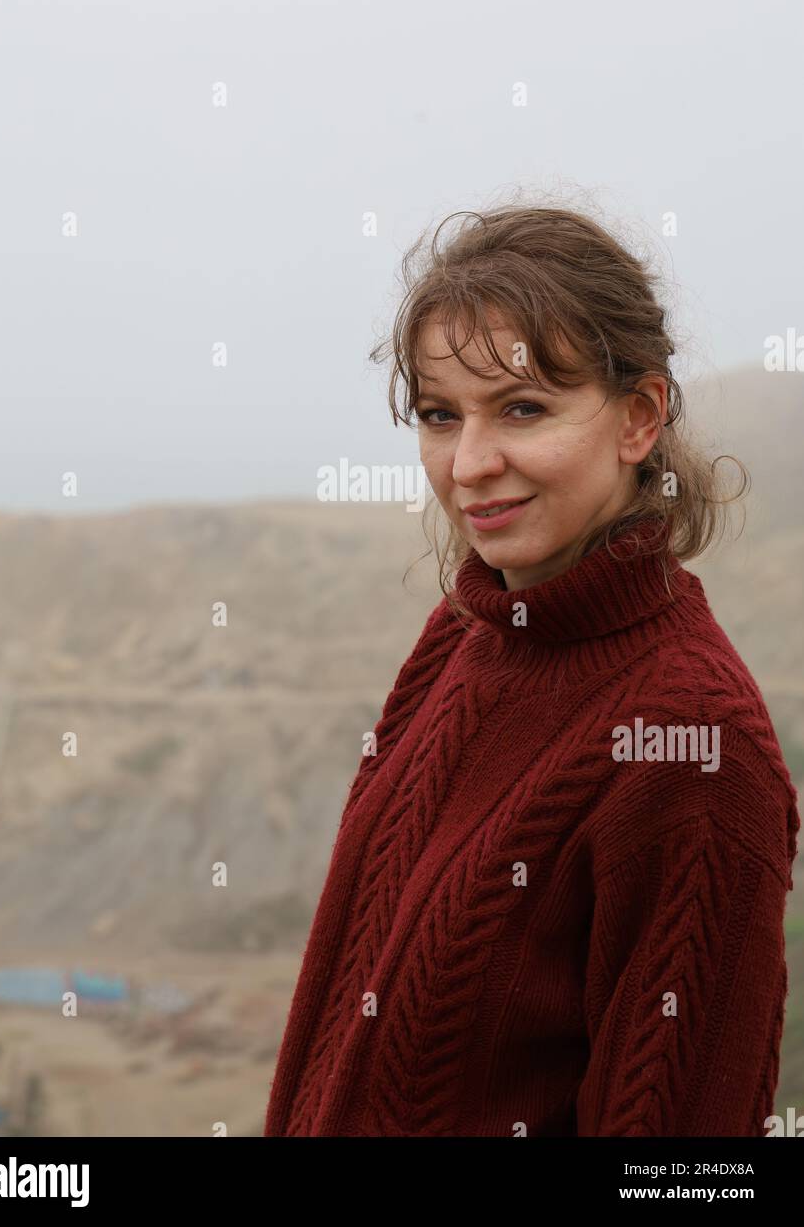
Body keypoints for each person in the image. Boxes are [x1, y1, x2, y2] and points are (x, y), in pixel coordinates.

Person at [264, 202, 800, 1137]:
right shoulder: (466, 634)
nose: (470, 464)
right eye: (440, 416)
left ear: (639, 418)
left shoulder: (694, 747)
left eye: (522, 408)